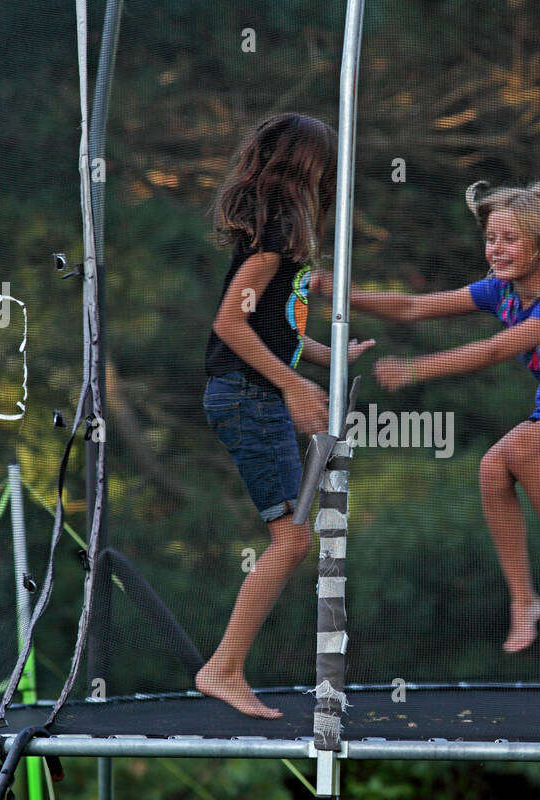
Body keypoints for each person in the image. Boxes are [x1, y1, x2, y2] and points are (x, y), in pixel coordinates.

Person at [314, 169, 540, 652]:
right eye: (491, 239)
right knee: (493, 466)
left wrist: (418, 369)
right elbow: (412, 307)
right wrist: (339, 293)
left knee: (521, 447)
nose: (496, 249)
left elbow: (495, 350)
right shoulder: (502, 291)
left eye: (510, 240)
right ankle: (523, 600)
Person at [196, 112, 372, 718]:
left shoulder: (283, 243)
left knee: (294, 539)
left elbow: (275, 331)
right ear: (306, 168)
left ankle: (224, 666)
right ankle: (222, 667)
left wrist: (329, 356)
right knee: (293, 540)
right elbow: (229, 324)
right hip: (247, 396)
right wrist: (294, 387)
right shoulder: (270, 242)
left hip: (251, 391)